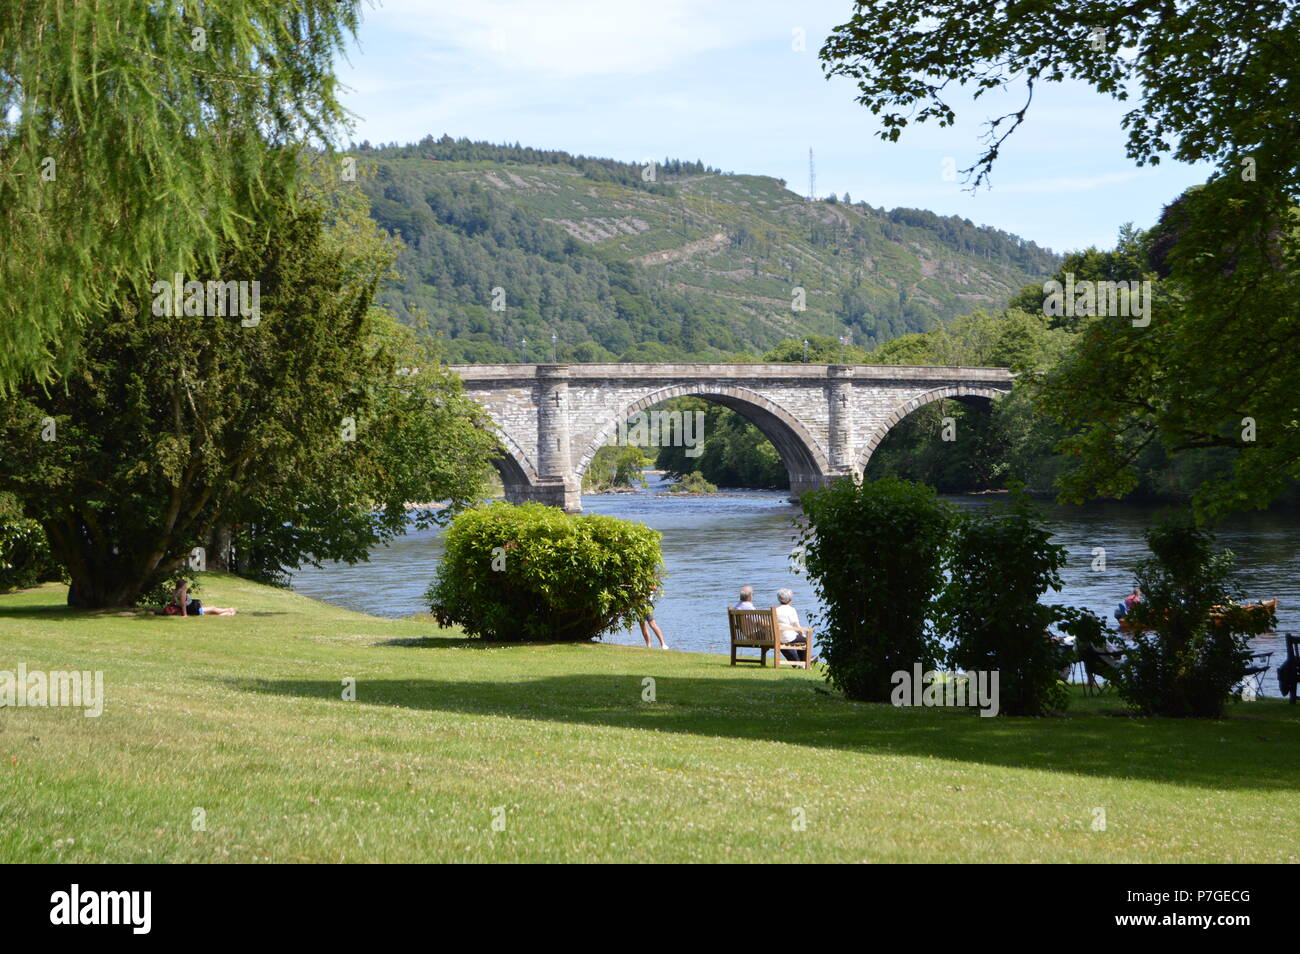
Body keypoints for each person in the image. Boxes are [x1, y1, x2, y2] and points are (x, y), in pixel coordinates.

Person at [773, 588, 808, 662]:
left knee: (797, 639)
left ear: (779, 599)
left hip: (777, 637)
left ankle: (797, 662)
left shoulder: (775, 610)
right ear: (790, 599)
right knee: (805, 640)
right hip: (789, 638)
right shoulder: (791, 610)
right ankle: (804, 662)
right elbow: (797, 626)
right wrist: (802, 634)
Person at [173, 579, 237, 616]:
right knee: (212, 609)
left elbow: (175, 602)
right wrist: (185, 614)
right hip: (193, 609)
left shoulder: (175, 592)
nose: (186, 587)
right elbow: (183, 604)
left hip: (191, 609)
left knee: (211, 611)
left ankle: (229, 612)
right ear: (182, 586)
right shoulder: (182, 592)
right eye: (185, 585)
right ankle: (230, 610)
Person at [639, 585, 668, 649]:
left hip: (647, 604)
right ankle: (648, 646)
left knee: (652, 624)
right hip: (639, 604)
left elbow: (654, 588)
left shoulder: (650, 579)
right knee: (642, 625)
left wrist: (646, 588)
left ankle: (663, 644)